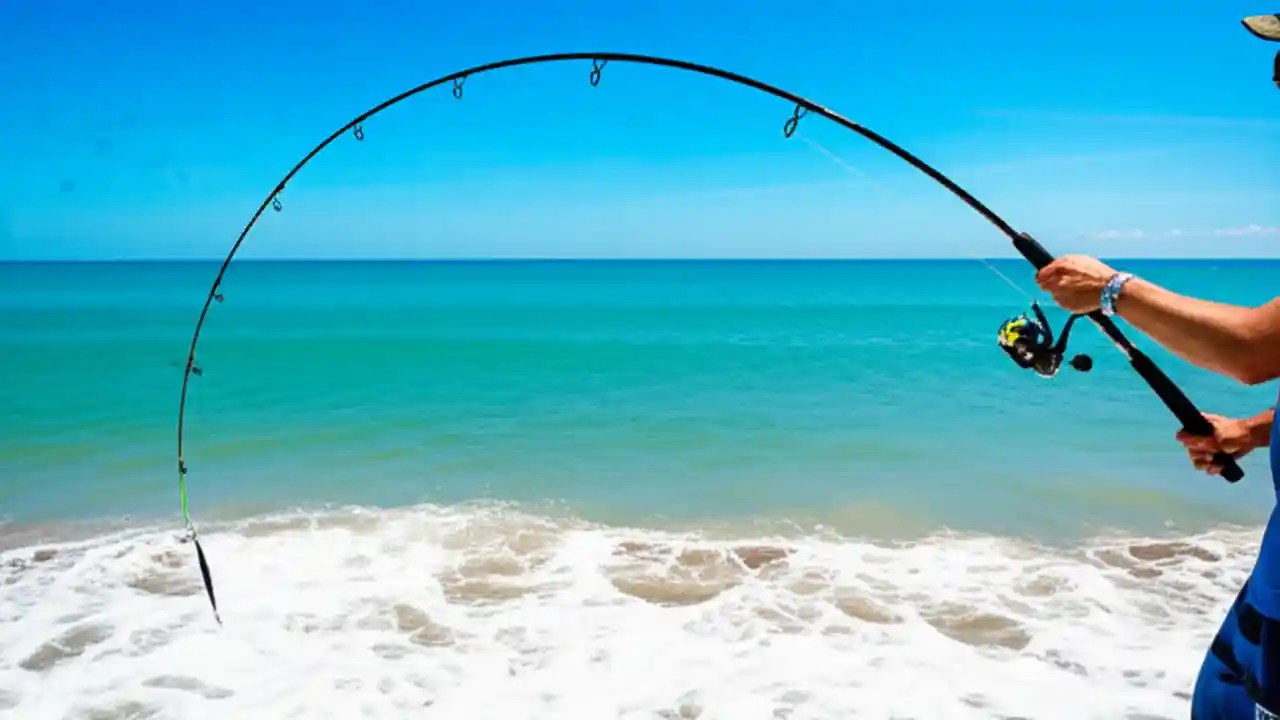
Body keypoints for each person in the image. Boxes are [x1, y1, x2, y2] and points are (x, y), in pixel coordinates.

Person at [1035, 256, 1280, 718]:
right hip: (1271, 576)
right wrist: (1252, 431)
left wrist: (1112, 291)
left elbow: (1256, 350)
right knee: (1218, 702)